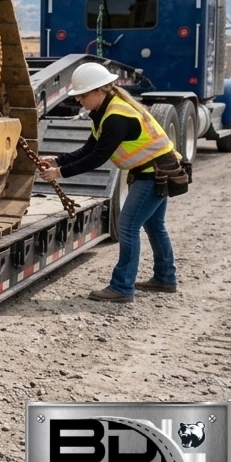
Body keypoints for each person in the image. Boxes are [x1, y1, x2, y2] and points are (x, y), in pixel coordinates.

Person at [38, 62, 180, 301]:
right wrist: (57, 159)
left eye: (82, 95)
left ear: (99, 91)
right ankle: (165, 278)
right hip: (157, 170)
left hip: (153, 174)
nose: (79, 100)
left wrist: (59, 173)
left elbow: (96, 158)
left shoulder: (116, 117)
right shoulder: (104, 112)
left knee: (127, 227)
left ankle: (122, 288)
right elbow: (89, 148)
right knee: (154, 226)